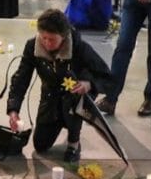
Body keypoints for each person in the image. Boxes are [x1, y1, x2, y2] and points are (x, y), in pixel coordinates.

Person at [7, 9, 112, 163]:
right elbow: (21, 79)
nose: (47, 43)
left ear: (63, 36)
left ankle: (74, 142)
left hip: (75, 97)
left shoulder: (79, 48)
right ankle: (59, 121)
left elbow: (107, 77)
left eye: (52, 39)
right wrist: (13, 109)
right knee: (40, 145)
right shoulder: (32, 47)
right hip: (50, 96)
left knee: (73, 100)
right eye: (44, 38)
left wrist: (89, 84)